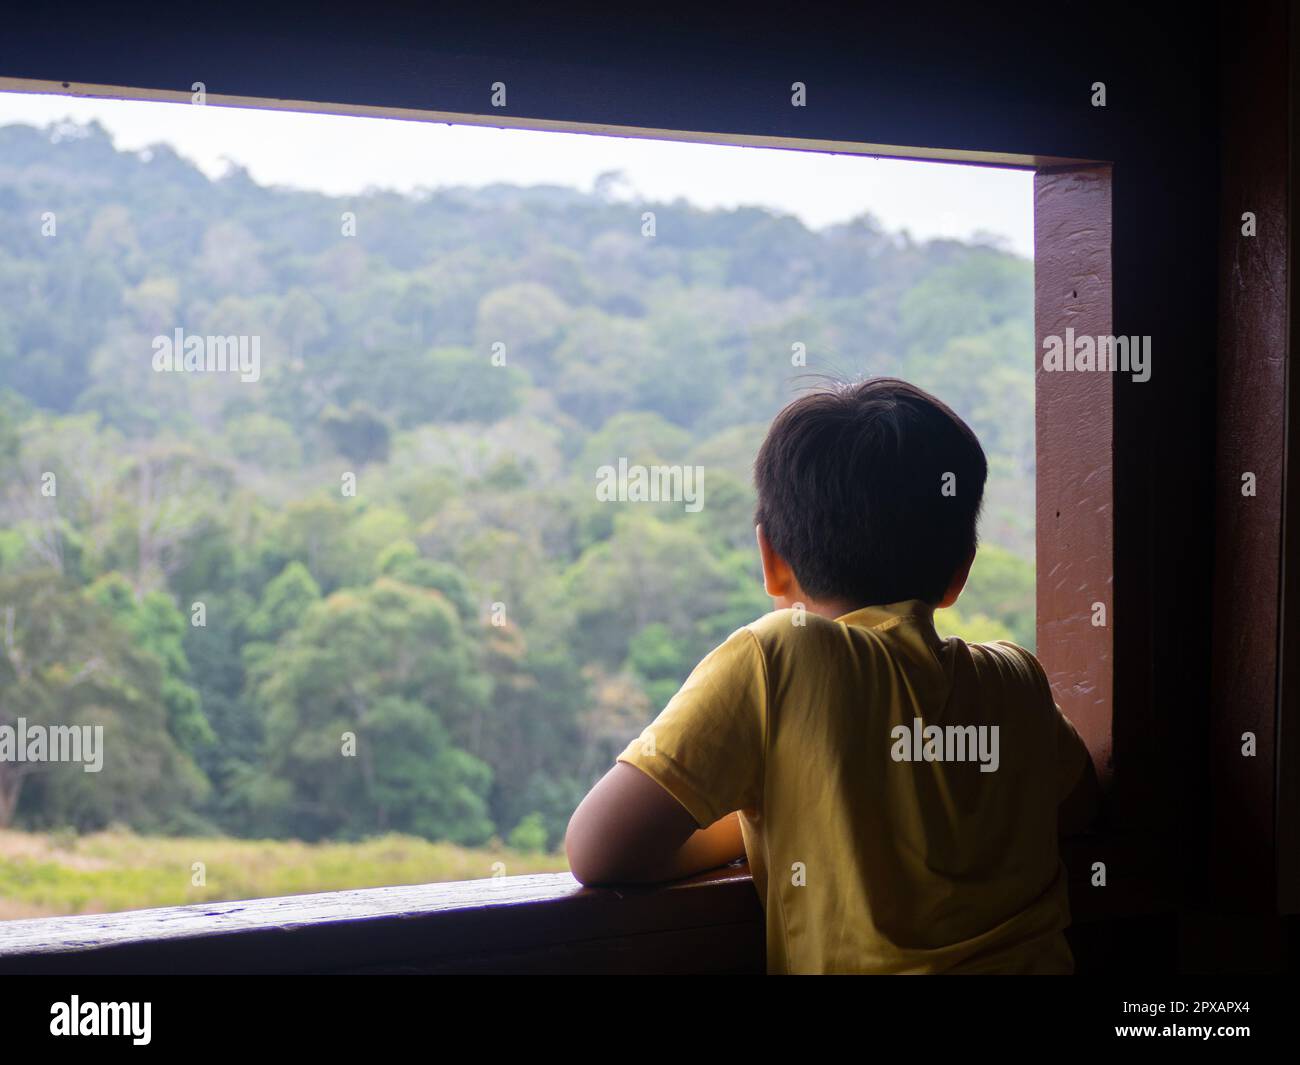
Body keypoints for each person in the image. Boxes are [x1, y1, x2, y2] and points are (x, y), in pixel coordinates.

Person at [566, 377, 1100, 974]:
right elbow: (1077, 808)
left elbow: (599, 849)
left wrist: (754, 809)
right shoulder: (1016, 679)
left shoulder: (779, 657)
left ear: (770, 560)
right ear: (960, 573)